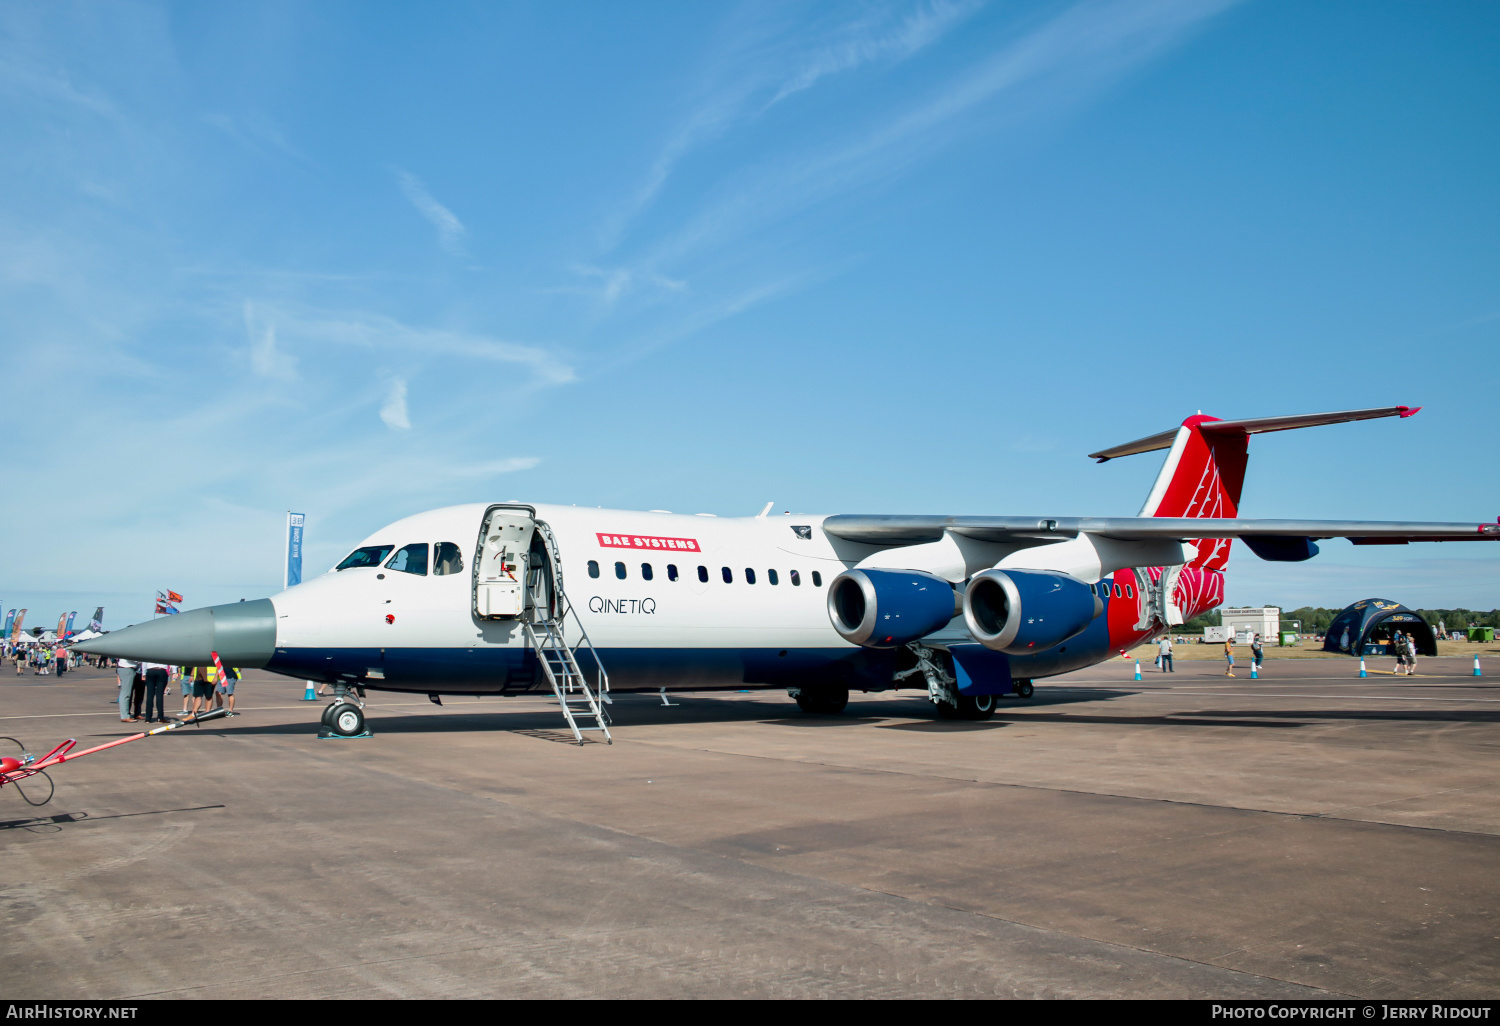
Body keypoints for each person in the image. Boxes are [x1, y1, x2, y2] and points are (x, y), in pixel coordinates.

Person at [117, 658, 138, 723]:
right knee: (126, 694)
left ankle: (125, 715)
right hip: (127, 669)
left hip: (126, 669)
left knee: (126, 693)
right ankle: (125, 716)